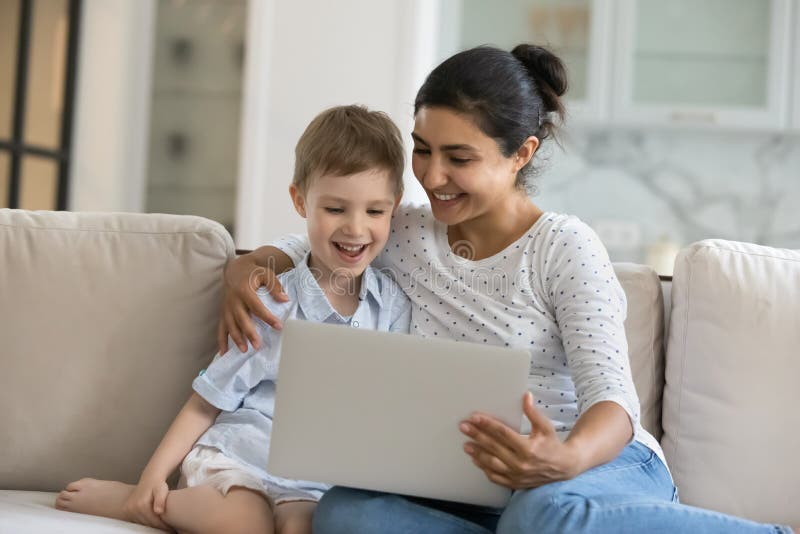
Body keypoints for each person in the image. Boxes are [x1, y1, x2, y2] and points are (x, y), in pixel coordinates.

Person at [218, 45, 799, 534]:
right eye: (423, 149)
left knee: (542, 512)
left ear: (522, 154)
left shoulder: (563, 247)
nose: (432, 176)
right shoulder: (406, 232)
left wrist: (563, 457)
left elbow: (614, 403)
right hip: (467, 482)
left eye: (459, 158)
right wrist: (248, 268)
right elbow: (316, 246)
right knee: (345, 513)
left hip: (592, 468)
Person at [54, 105, 412, 534]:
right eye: (335, 209)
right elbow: (205, 401)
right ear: (301, 200)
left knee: (303, 529)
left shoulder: (392, 307)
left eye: (375, 212)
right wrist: (151, 478)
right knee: (246, 524)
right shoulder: (271, 303)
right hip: (240, 460)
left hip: (312, 483)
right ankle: (139, 503)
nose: (355, 228)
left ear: (394, 207)